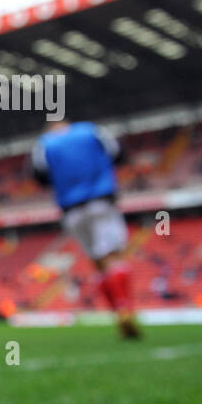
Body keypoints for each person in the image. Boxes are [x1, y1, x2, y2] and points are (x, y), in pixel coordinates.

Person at [32, 118, 140, 339]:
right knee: (113, 256)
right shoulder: (92, 130)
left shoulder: (43, 144)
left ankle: (117, 313)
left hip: (71, 210)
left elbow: (40, 177)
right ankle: (124, 308)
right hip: (100, 200)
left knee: (98, 261)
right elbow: (118, 153)